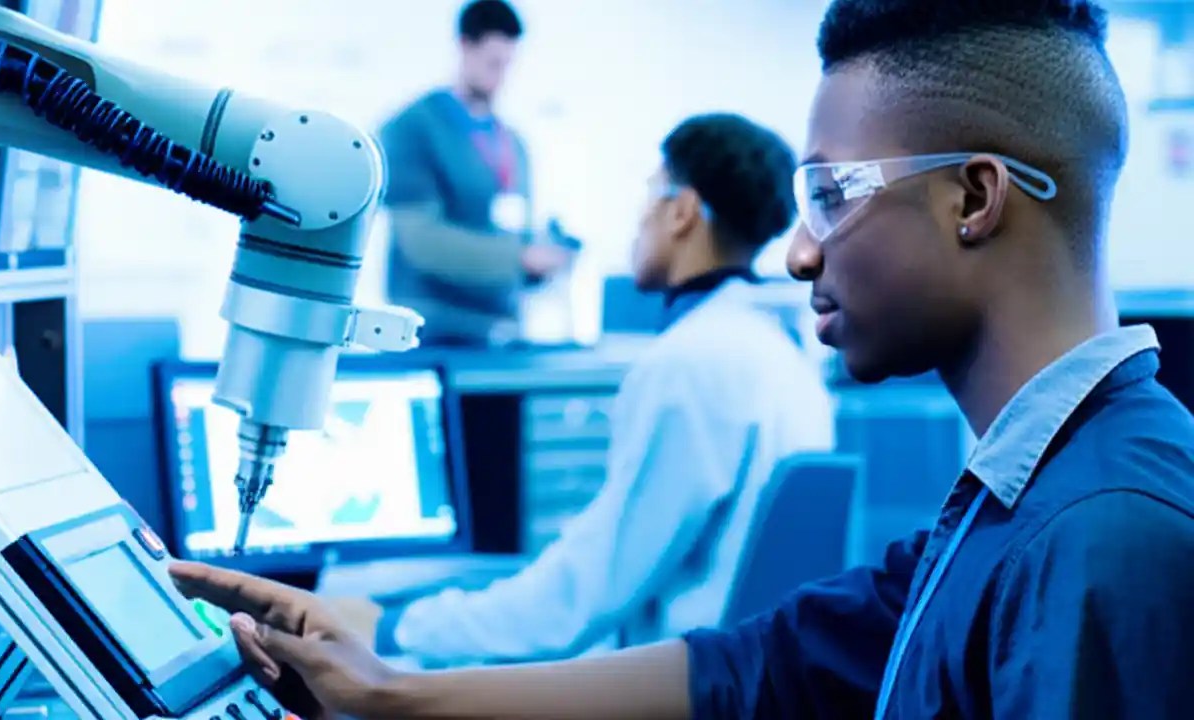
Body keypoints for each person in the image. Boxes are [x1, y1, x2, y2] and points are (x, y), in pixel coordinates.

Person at [170, 0, 1194, 717]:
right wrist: (390, 690)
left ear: (972, 198)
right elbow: (760, 668)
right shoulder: (1006, 503)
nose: (798, 254)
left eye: (831, 196)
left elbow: (602, 606)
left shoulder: (1102, 537)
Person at [325, 113, 833, 667]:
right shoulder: (781, 357)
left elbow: (571, 606)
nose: (639, 220)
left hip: (680, 686)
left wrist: (395, 625)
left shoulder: (693, 363)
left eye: (648, 195)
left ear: (682, 211)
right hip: (739, 678)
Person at [379, 0, 570, 347]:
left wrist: (545, 258)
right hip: (434, 333)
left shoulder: (513, 143)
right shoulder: (412, 129)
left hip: (502, 332)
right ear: (464, 46)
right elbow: (422, 242)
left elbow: (512, 231)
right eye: (493, 63)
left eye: (508, 64)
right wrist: (519, 258)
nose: (501, 76)